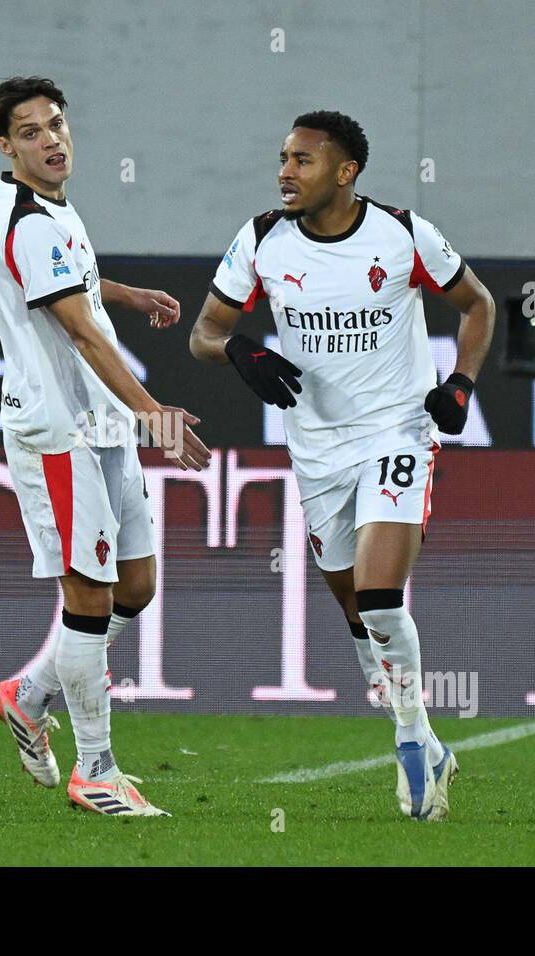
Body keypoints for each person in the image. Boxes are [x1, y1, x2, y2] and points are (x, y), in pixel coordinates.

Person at [189, 111, 495, 820]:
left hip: (397, 431)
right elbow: (207, 330)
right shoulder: (262, 239)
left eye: (302, 160)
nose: (285, 172)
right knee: (358, 615)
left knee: (380, 593)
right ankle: (417, 732)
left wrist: (461, 382)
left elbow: (476, 304)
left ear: (345, 171)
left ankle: (415, 743)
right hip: (316, 448)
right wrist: (239, 352)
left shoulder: (403, 233)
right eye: (283, 159)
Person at [0, 76, 210, 817]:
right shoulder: (26, 221)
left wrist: (129, 295)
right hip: (59, 429)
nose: (51, 140)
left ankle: (28, 695)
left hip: (100, 423)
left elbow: (69, 286)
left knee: (133, 589)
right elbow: (73, 327)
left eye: (56, 125)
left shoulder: (48, 208)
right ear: (5, 145)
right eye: (30, 131)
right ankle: (98, 771)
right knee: (87, 596)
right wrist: (155, 415)